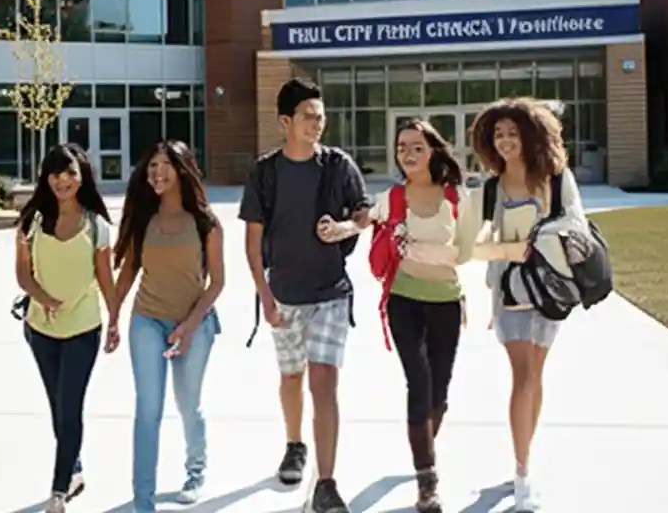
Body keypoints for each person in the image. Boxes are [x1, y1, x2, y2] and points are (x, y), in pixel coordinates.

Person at [239, 77, 371, 513]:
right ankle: (295, 445)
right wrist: (265, 299)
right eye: (309, 117)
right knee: (292, 377)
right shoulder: (265, 172)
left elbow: (364, 214)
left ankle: (327, 484)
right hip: (284, 296)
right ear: (285, 122)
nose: (318, 123)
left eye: (321, 116)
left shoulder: (338, 166)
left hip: (331, 293)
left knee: (323, 381)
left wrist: (344, 229)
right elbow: (253, 243)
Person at [464, 98, 584, 512]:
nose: (505, 140)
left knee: (536, 373)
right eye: (499, 134)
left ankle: (523, 462)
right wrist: (505, 249)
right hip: (511, 291)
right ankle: (522, 472)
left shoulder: (556, 178)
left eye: (513, 133)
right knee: (523, 374)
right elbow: (469, 246)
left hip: (549, 289)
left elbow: (577, 225)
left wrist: (540, 237)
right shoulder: (492, 186)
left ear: (530, 135)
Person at [353, 118, 466, 512]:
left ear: (432, 150)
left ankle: (425, 440)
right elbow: (362, 220)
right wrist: (335, 228)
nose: (408, 154)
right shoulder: (393, 197)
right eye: (402, 147)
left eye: (417, 146)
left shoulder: (456, 198)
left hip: (447, 303)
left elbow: (471, 248)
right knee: (418, 386)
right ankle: (427, 479)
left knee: (439, 393)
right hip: (403, 300)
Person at [112, 140, 225, 512]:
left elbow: (218, 283)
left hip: (194, 324)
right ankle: (143, 501)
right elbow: (128, 269)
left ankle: (196, 471)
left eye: (164, 166)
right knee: (148, 409)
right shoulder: (146, 219)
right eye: (151, 168)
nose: (156, 174)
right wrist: (113, 316)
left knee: (188, 405)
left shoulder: (206, 221)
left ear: (181, 170)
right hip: (147, 320)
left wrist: (191, 325)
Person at [14, 142, 120, 513]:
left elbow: (106, 280)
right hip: (40, 331)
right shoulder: (32, 222)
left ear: (82, 175)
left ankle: (58, 491)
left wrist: (115, 321)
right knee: (58, 406)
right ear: (46, 177)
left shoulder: (97, 226)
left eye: (71, 172)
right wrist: (42, 297)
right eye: (56, 173)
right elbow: (22, 276)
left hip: (83, 329)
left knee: (70, 408)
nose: (64, 180)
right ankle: (74, 470)